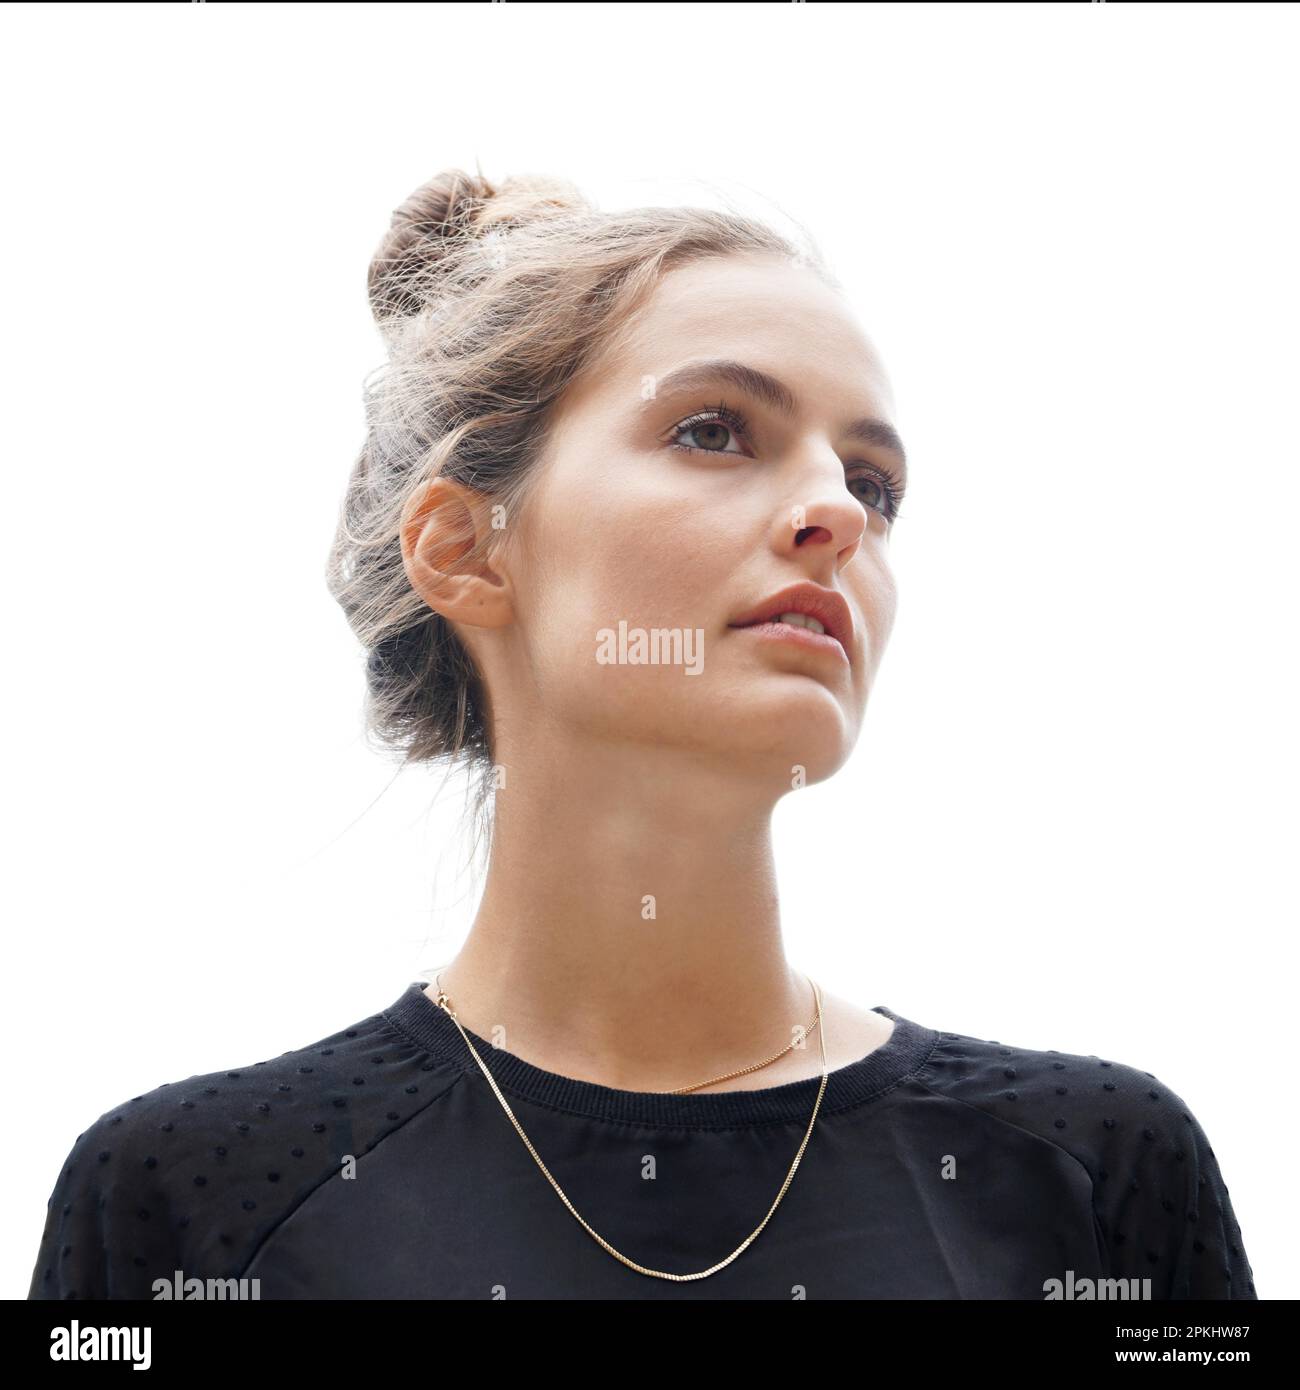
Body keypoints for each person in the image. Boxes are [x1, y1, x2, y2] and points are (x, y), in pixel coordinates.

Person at [28, 168, 1256, 1301]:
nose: (835, 508)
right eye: (714, 429)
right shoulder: (188, 1202)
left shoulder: (1097, 1177)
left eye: (874, 484)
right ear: (465, 546)